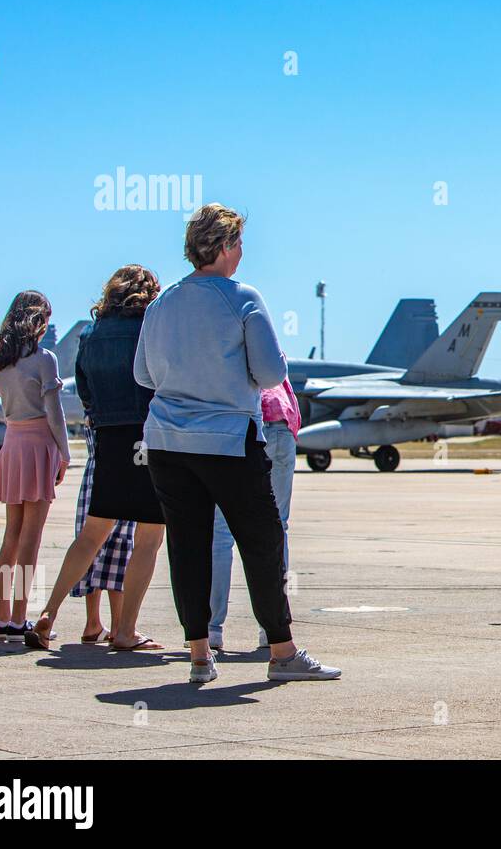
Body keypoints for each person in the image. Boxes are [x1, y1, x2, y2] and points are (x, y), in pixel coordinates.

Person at [136, 203, 339, 684]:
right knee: (262, 542)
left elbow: (144, 375)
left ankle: (200, 655)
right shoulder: (241, 297)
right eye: (240, 243)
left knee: (188, 546)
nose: (243, 252)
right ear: (226, 247)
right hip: (227, 440)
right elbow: (272, 373)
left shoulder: (161, 304)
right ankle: (282, 652)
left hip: (166, 442)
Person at [27, 266, 167, 650]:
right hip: (146, 436)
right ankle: (125, 631)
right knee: (148, 539)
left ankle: (48, 613)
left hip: (106, 440)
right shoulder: (148, 329)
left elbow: (83, 387)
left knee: (91, 535)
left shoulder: (91, 333)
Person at [0, 291, 71, 642]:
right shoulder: (44, 359)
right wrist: (64, 453)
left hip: (12, 444)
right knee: (31, 537)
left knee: (12, 533)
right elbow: (54, 413)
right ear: (39, 320)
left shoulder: (0, 360)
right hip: (38, 445)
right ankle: (20, 617)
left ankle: (2, 617)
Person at [206, 378, 301, 650]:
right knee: (276, 529)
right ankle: (273, 630)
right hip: (281, 425)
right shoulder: (267, 346)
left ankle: (212, 629)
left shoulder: (221, 345)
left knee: (221, 534)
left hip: (238, 426)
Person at [70, 427, 135, 642]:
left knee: (90, 545)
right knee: (119, 546)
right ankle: (119, 625)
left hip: (93, 469)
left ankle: (92, 623)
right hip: (121, 467)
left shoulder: (91, 396)